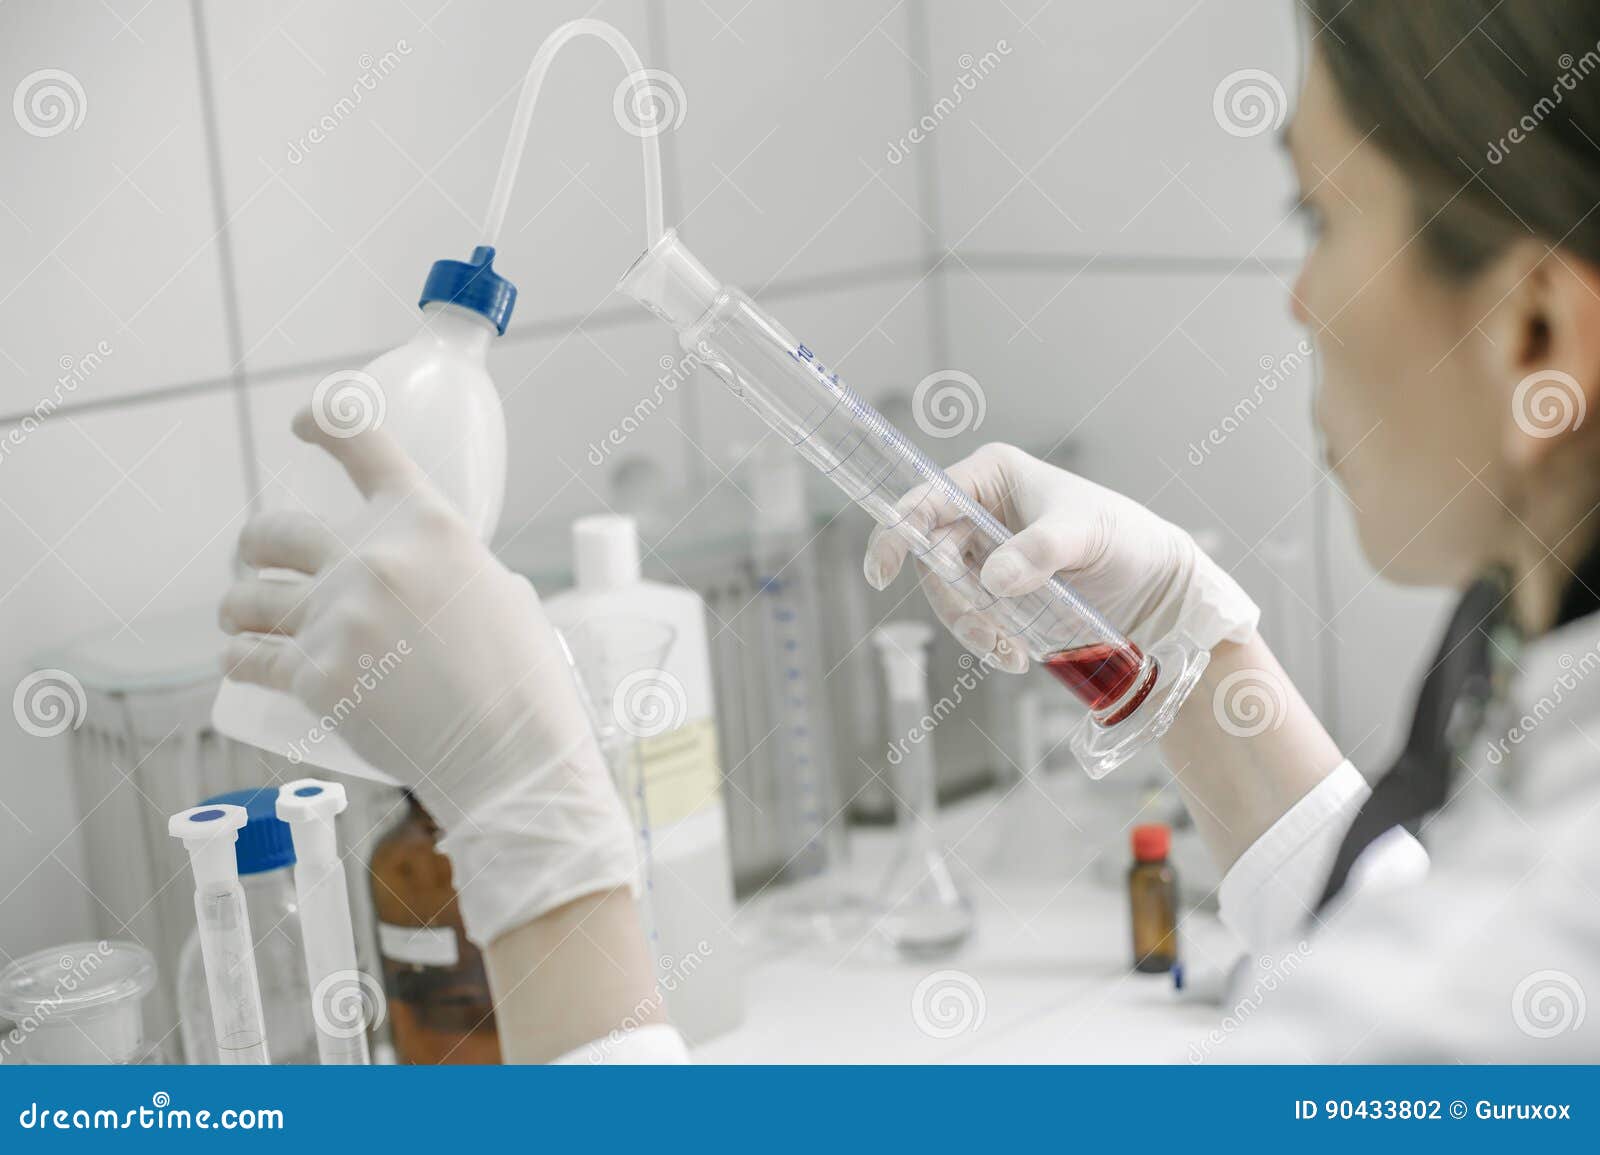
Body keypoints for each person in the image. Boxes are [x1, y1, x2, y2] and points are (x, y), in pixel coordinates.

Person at [220, 0, 1600, 1061]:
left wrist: (535, 827)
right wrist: (1189, 655)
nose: (1299, 300)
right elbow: (1400, 926)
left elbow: (1419, 1007)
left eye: (1321, 214)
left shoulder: (1512, 965)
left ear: (1536, 329)